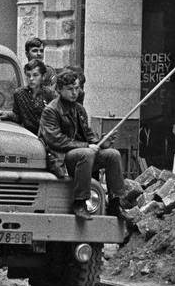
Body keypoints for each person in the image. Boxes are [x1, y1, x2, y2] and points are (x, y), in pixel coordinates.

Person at [39, 70, 125, 221]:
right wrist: (87, 145)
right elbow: (55, 140)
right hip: (61, 158)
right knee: (87, 153)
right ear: (59, 90)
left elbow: (89, 136)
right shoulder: (51, 110)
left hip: (81, 157)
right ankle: (80, 202)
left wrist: (102, 142)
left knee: (113, 154)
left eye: (77, 88)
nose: (75, 93)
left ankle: (115, 203)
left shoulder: (79, 109)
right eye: (70, 89)